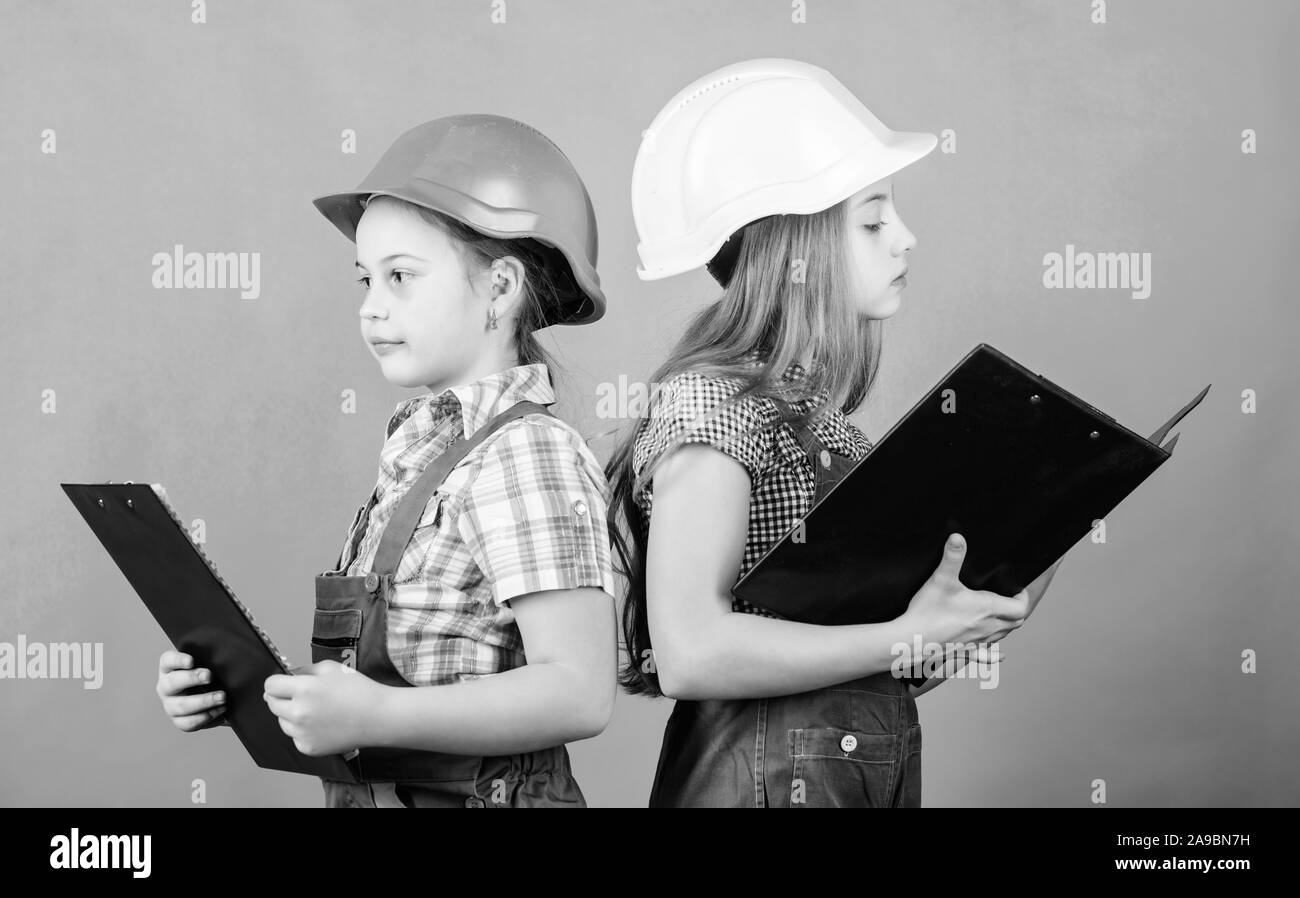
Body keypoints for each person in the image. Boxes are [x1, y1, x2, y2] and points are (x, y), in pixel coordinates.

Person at [606, 59, 1063, 807]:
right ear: (795, 253)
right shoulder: (711, 406)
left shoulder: (831, 431)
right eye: (875, 219)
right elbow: (691, 651)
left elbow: (879, 665)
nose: (906, 238)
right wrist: (902, 634)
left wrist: (1008, 570)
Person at [156, 115, 618, 807]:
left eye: (401, 277)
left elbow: (579, 692)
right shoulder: (424, 455)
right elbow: (402, 670)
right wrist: (250, 694)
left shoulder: (526, 455)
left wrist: (377, 715)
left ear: (499, 289)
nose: (372, 309)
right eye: (364, 280)